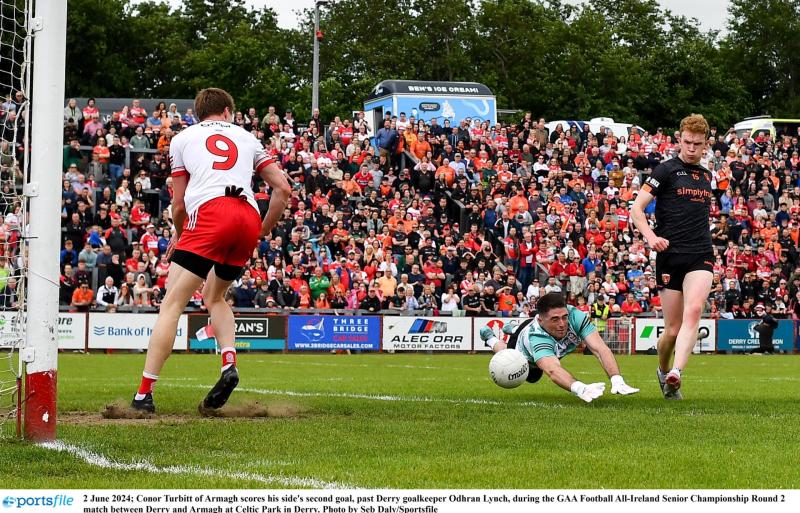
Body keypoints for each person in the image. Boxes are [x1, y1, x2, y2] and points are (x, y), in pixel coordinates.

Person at [130, 88, 291, 413]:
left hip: (209, 213)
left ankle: (144, 394)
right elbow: (283, 188)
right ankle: (228, 362)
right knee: (215, 297)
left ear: (198, 112)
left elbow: (178, 203)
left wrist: (181, 235)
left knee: (172, 303)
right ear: (229, 111)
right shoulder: (248, 138)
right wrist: (260, 231)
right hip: (246, 215)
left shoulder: (183, 138)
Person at [631, 114, 714, 400]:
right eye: (687, 142)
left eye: (698, 144)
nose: (691, 148)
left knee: (694, 311)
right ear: (679, 139)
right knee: (672, 329)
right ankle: (664, 370)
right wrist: (651, 237)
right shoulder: (664, 170)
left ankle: (677, 372)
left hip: (701, 253)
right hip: (669, 255)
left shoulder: (706, 175)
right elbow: (636, 210)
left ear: (706, 145)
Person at [479, 292, 639, 403]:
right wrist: (579, 388)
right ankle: (491, 338)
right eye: (555, 319)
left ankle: (513, 327)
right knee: (522, 370)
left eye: (564, 317)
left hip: (541, 331)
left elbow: (599, 348)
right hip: (524, 347)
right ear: (541, 321)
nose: (562, 324)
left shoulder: (575, 316)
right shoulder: (537, 337)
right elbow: (552, 369)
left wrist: (617, 379)